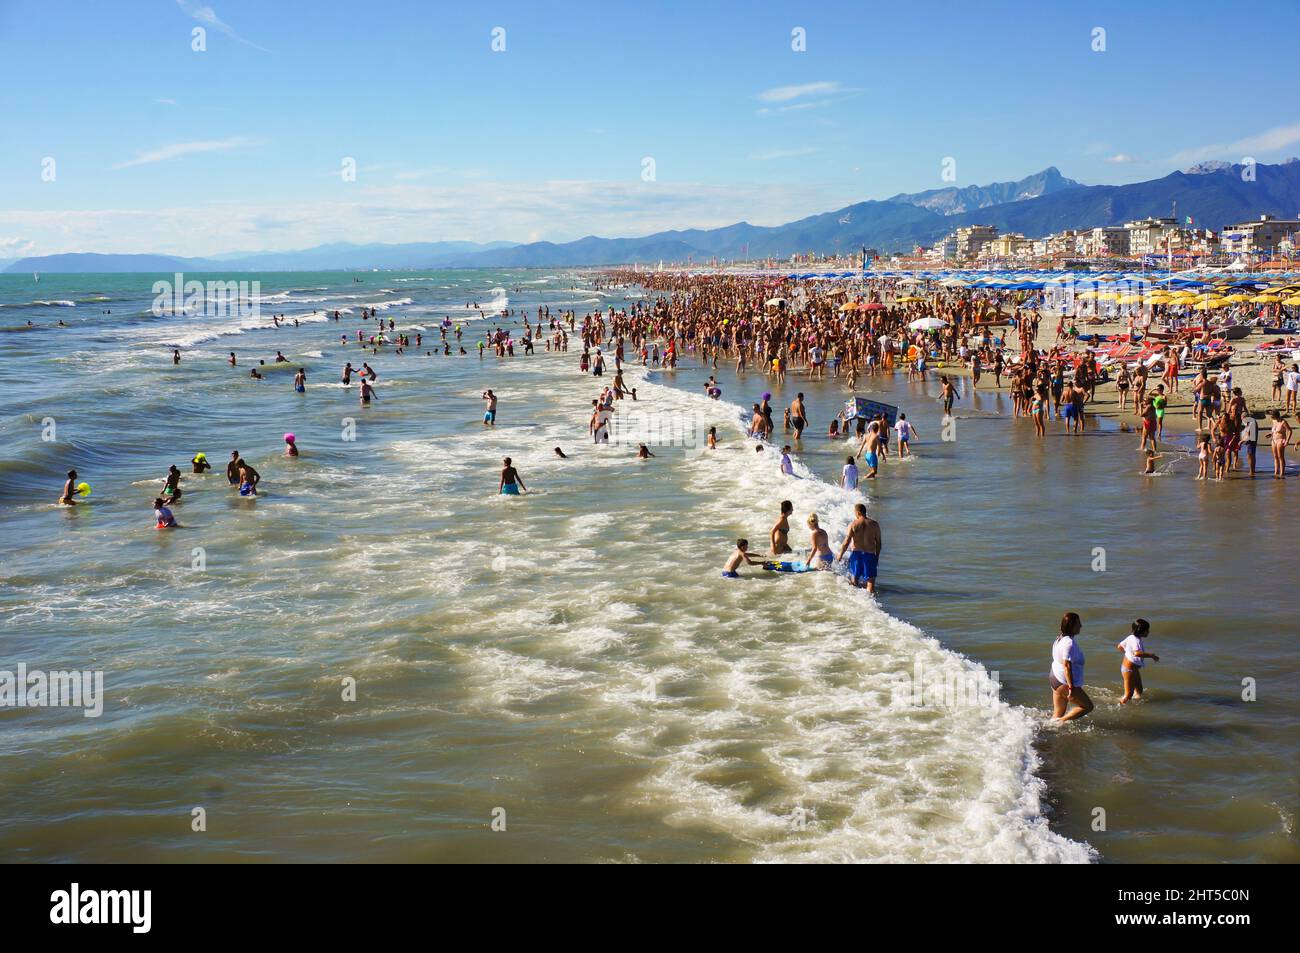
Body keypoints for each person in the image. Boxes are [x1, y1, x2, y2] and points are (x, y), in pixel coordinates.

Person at [1050, 612, 1093, 723]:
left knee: (1057, 714)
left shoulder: (1059, 638)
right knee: (1088, 706)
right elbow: (1067, 665)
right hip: (1063, 681)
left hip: (1054, 677)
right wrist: (1071, 688)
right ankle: (1060, 722)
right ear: (1072, 626)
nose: (1081, 626)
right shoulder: (1069, 643)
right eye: (1078, 623)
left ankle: (1049, 728)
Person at [836, 502, 881, 593]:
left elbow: (846, 542)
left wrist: (840, 555)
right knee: (870, 582)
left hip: (856, 555)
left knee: (854, 580)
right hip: (870, 555)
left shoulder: (853, 524)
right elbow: (879, 543)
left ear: (858, 513)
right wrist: (876, 557)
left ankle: (856, 598)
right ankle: (869, 602)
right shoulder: (874, 524)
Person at [1117, 618, 1159, 704]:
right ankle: (1119, 706)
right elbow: (1137, 653)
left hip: (1132, 668)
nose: (1148, 632)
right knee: (1128, 694)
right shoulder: (1137, 641)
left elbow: (1119, 646)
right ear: (1142, 631)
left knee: (1139, 690)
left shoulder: (1130, 637)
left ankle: (1135, 706)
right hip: (1129, 670)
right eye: (1147, 630)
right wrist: (1151, 655)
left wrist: (1128, 653)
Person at [1269, 410, 1291, 479]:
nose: (1272, 418)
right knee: (1275, 456)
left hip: (1281, 440)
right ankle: (1276, 472)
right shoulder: (1273, 421)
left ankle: (1282, 473)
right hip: (1273, 440)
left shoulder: (1283, 422)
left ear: (1277, 416)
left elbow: (1290, 431)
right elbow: (1274, 430)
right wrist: (1271, 434)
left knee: (1280, 457)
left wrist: (1287, 441)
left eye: (1273, 417)